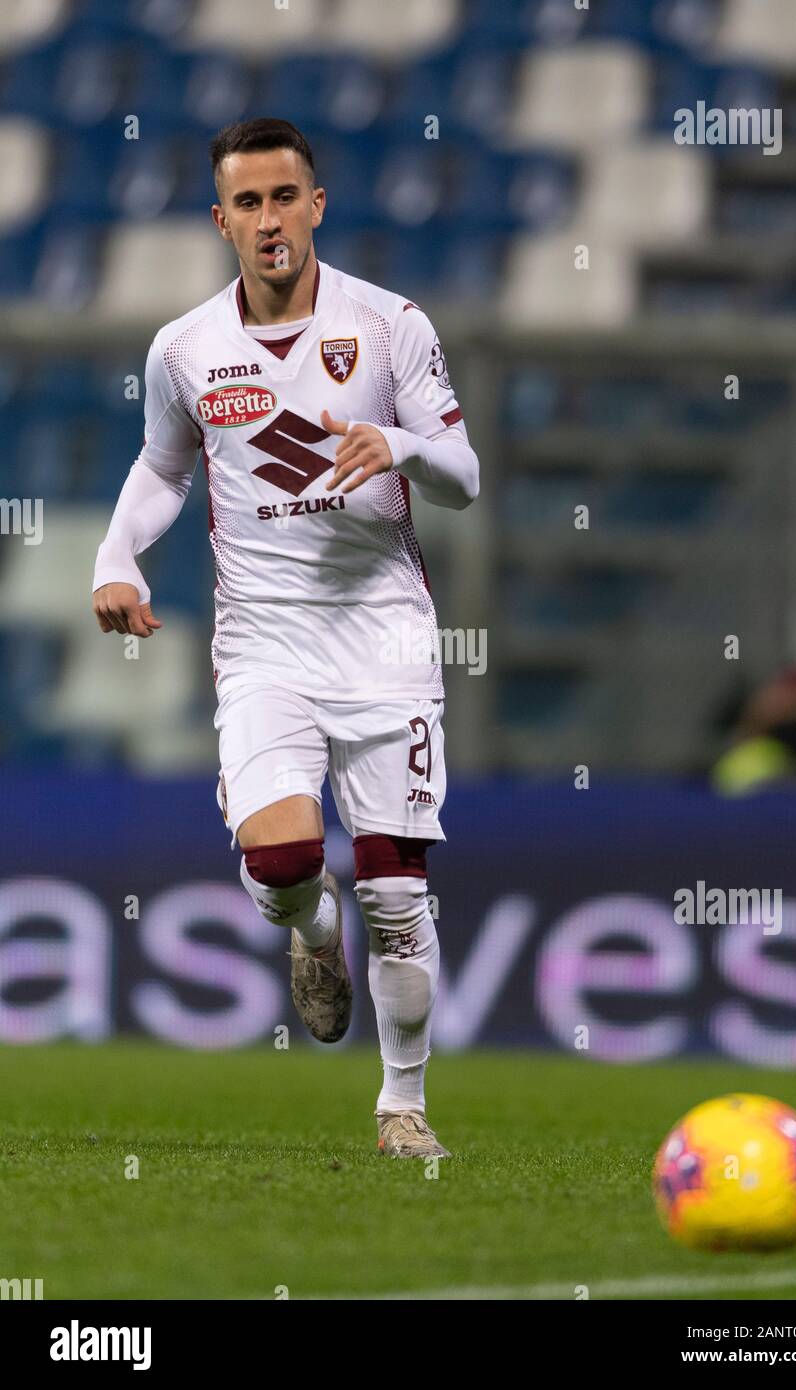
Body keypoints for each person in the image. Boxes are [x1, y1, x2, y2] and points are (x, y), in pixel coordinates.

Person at [92, 118, 480, 1158]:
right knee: (284, 860)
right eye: (247, 204)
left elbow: (463, 474)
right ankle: (311, 932)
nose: (269, 220)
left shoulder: (389, 323)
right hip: (263, 641)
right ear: (221, 220)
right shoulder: (184, 349)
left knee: (397, 889)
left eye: (285, 197)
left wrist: (394, 441)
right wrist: (114, 560)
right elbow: (164, 469)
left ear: (317, 204)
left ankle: (402, 1103)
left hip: (383, 635)